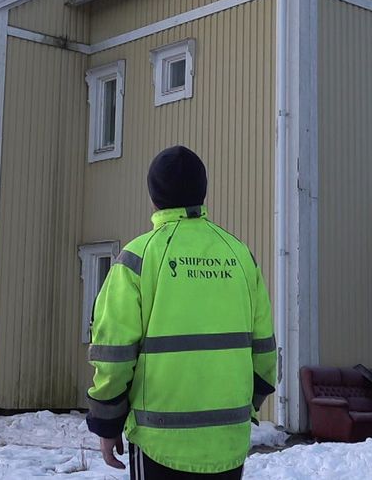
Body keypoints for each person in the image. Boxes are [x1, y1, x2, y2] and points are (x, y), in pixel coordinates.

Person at [85, 145, 277, 479]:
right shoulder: (240, 256)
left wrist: (107, 422)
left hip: (159, 441)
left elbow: (113, 354)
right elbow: (264, 352)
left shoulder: (137, 258)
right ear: (203, 192)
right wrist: (245, 407)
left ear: (153, 197)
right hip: (227, 443)